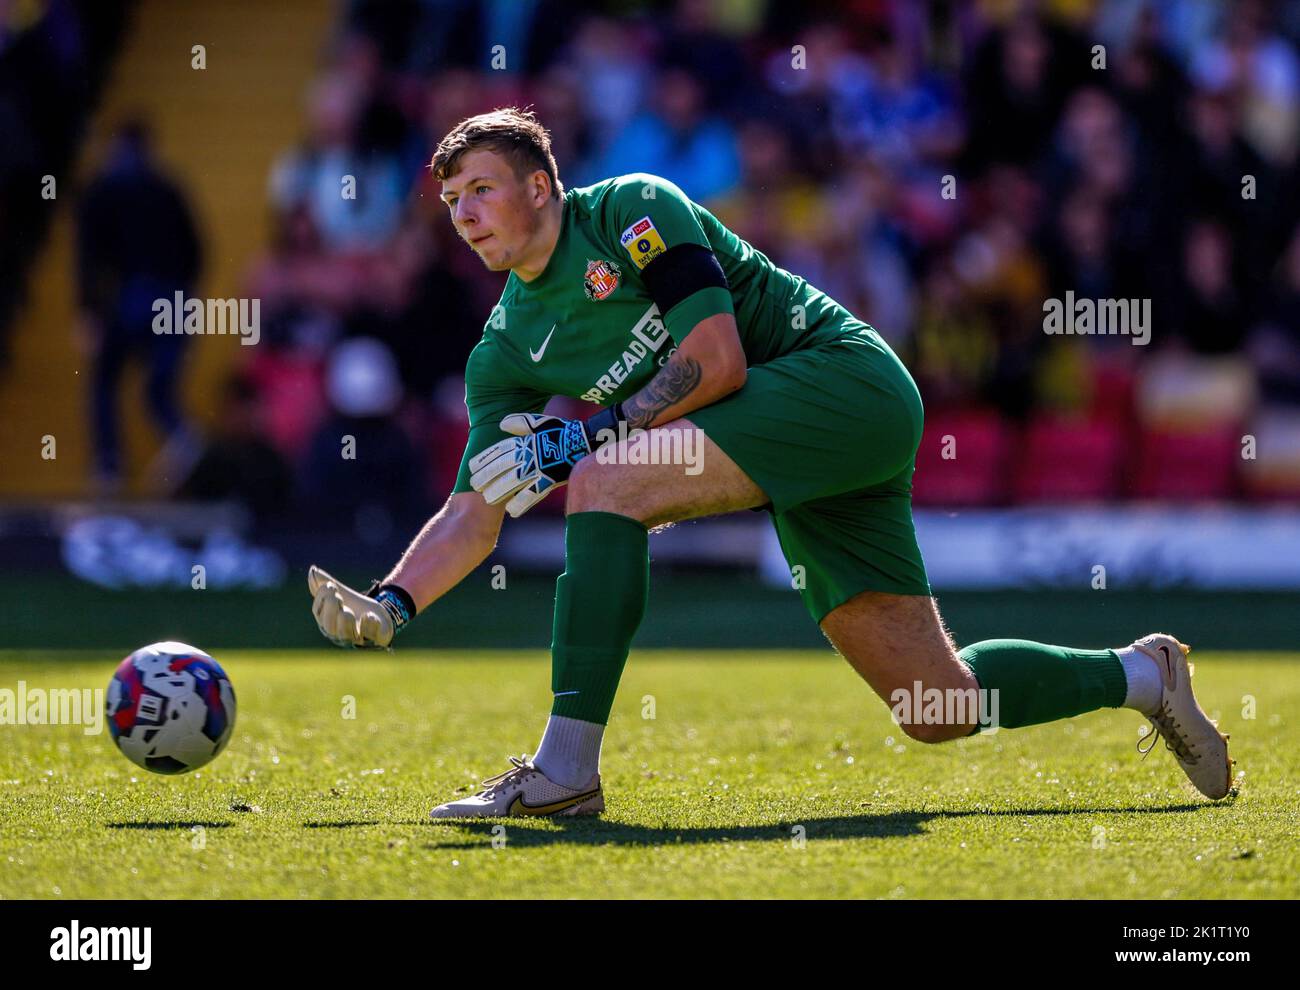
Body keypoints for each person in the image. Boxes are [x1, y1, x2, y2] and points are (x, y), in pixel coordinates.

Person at [308, 109, 1232, 818]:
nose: (464, 214)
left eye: (480, 188)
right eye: (450, 201)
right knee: (933, 704)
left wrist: (592, 433)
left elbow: (717, 358)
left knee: (604, 479)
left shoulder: (632, 209)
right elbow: (477, 504)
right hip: (790, 446)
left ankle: (565, 771)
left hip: (845, 385)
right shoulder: (502, 351)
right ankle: (1144, 675)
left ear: (542, 185)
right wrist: (393, 602)